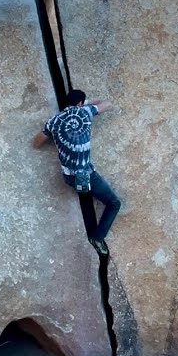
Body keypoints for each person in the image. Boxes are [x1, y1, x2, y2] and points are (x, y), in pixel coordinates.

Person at [33, 89, 121, 255]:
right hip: (86, 175)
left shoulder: (54, 120)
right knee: (114, 203)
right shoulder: (84, 112)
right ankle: (97, 237)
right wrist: (86, 103)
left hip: (69, 177)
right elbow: (106, 104)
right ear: (80, 103)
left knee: (85, 193)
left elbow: (37, 142)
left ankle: (85, 201)